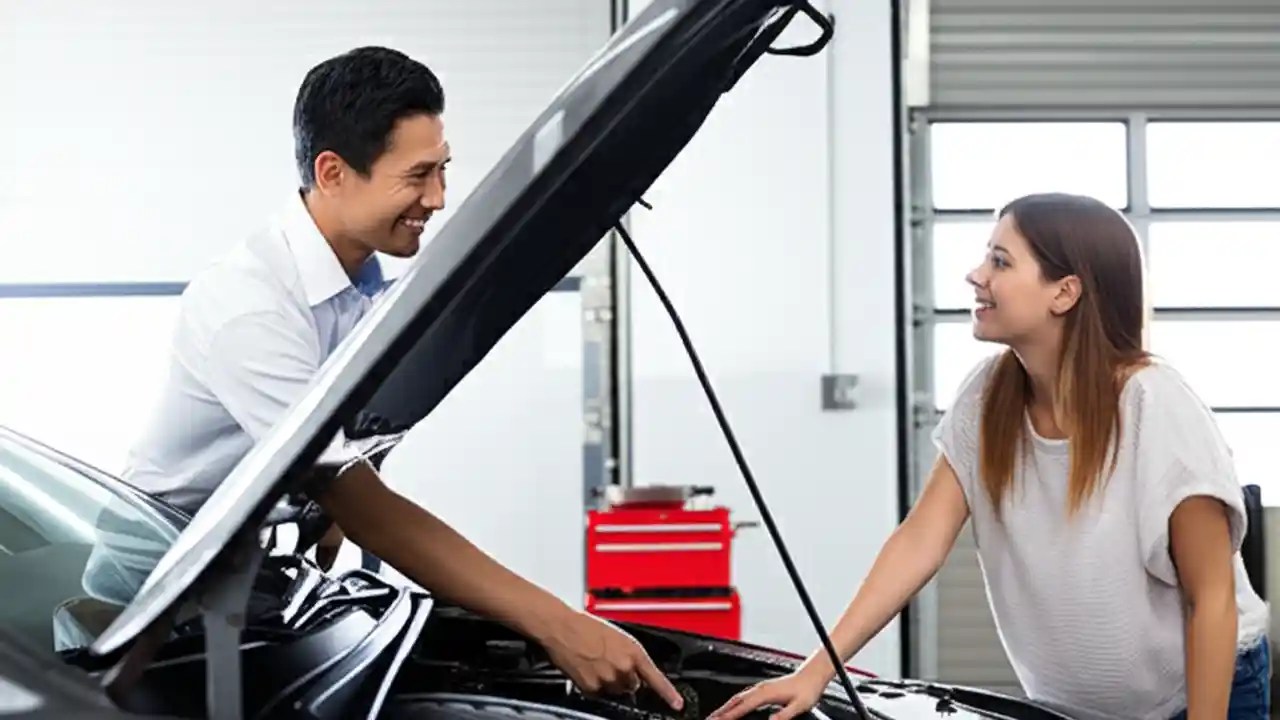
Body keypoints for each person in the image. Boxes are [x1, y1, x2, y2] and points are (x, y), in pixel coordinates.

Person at [119, 45, 683, 710]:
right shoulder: (249, 308)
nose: (438, 199)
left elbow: (348, 450)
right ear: (332, 172)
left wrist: (317, 512)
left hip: (251, 578)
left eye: (443, 170)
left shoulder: (369, 286)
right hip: (148, 597)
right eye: (418, 177)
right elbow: (364, 507)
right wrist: (557, 623)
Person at [708, 192, 1270, 720]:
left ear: (1064, 293)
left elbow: (1213, 598)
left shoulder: (1154, 405)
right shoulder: (987, 395)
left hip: (1197, 696)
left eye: (1001, 261)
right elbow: (919, 542)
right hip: (1068, 708)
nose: (976, 275)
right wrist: (817, 671)